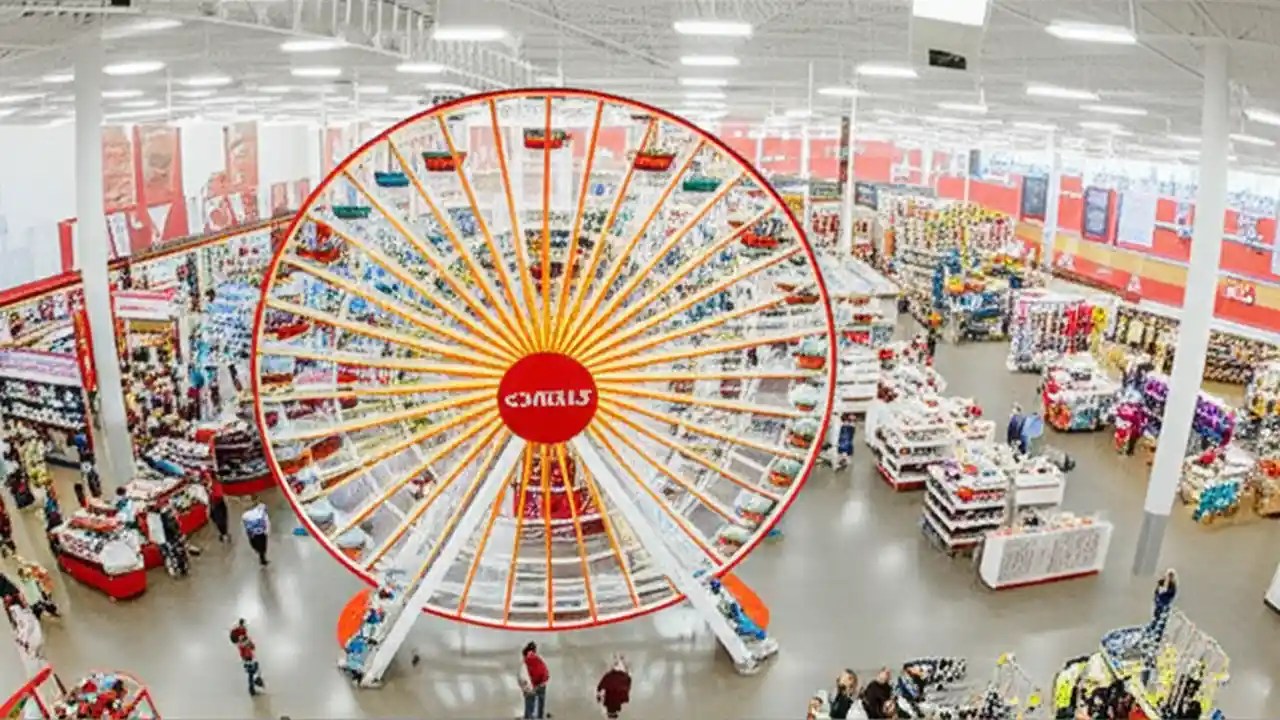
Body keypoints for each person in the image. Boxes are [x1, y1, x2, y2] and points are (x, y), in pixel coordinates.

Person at [519, 641, 550, 719]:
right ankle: (540, 716)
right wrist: (544, 680)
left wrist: (525, 688)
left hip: (532, 685)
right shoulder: (539, 658)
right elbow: (545, 670)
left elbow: (523, 675)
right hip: (542, 683)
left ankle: (528, 717)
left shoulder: (526, 661)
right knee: (541, 702)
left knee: (529, 703)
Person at [242, 497, 270, 566]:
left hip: (261, 532)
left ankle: (262, 557)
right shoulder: (245, 515)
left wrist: (267, 530)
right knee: (255, 545)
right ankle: (260, 554)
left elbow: (266, 519)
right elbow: (244, 525)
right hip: (252, 534)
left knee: (262, 546)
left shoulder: (260, 510)